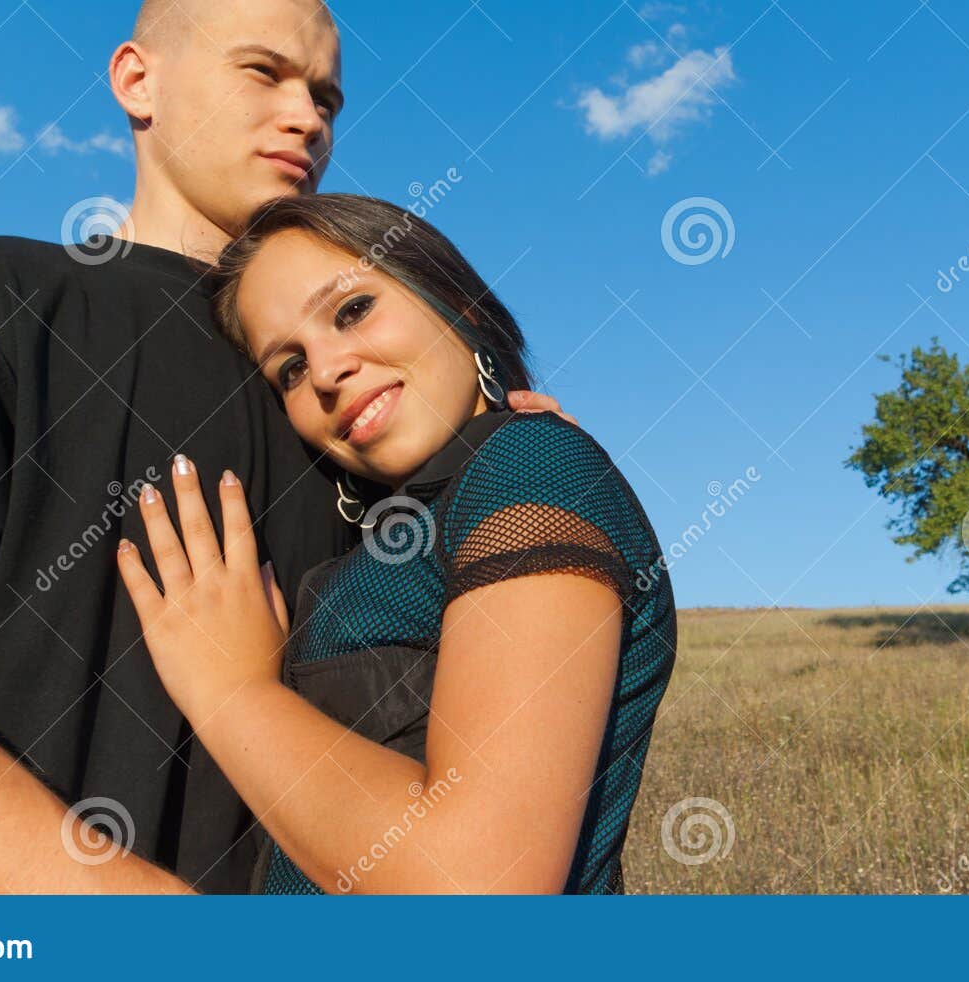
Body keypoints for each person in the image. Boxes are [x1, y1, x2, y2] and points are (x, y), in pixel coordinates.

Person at [0, 0, 568, 893]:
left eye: (328, 99)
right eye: (263, 73)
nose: (308, 118)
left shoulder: (356, 406)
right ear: (138, 80)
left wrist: (504, 448)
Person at [114, 193, 678, 893]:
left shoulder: (529, 462)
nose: (324, 371)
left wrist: (231, 691)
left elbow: (480, 880)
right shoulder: (422, 518)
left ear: (456, 302)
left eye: (353, 310)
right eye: (288, 367)